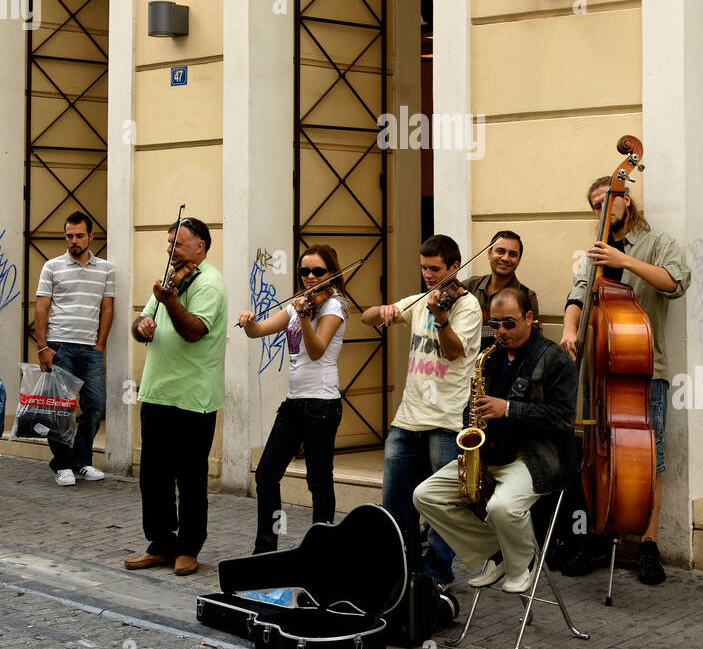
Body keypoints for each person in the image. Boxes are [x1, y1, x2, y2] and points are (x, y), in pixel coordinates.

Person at [561, 177, 690, 585]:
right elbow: (577, 295)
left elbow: (675, 283)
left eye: (607, 200)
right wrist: (569, 329)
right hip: (596, 372)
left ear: (626, 199)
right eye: (595, 203)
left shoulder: (656, 243)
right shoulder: (593, 255)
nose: (602, 208)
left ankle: (647, 543)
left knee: (648, 458)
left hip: (642, 370)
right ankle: (600, 535)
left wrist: (626, 260)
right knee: (594, 454)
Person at [414, 287, 579, 592]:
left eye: (509, 323)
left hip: (534, 458)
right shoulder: (489, 359)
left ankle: (521, 565)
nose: (501, 332)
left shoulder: (555, 360)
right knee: (425, 495)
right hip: (491, 453)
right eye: (496, 324)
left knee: (502, 508)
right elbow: (471, 409)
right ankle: (496, 550)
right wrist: (470, 428)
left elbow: (563, 418)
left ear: (529, 318)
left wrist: (509, 409)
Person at [361, 234, 482, 587]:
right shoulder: (420, 301)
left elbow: (454, 352)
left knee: (442, 505)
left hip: (445, 418)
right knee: (396, 501)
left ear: (454, 267)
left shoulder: (468, 306)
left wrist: (442, 319)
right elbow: (368, 318)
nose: (428, 275)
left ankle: (437, 575)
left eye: (435, 269)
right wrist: (380, 312)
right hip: (407, 417)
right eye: (424, 268)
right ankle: (403, 568)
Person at [124, 216, 227, 577]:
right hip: (158, 393)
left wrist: (169, 304)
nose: (170, 249)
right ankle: (161, 544)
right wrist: (143, 324)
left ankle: (188, 548)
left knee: (190, 476)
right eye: (169, 243)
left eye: (177, 244)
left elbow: (195, 331)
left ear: (199, 247)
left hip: (192, 397)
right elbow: (140, 326)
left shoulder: (210, 284)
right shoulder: (169, 279)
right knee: (153, 476)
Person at [238, 245, 349, 552]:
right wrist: (249, 322)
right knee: (266, 475)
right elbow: (259, 330)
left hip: (321, 403)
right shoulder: (298, 305)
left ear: (331, 273)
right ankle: (265, 550)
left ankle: (320, 553)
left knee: (318, 482)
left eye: (318, 271)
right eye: (304, 271)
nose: (310, 277)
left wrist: (302, 317)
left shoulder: (333, 306)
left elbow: (316, 350)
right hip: (295, 401)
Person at [34, 210, 113, 486]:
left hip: (90, 348)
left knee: (95, 406)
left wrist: (100, 346)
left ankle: (82, 461)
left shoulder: (106, 269)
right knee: (61, 409)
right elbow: (42, 307)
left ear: (91, 236)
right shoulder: (52, 267)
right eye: (69, 236)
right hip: (60, 346)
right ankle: (63, 463)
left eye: (79, 236)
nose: (74, 241)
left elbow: (107, 308)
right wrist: (43, 347)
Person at [463, 230, 540, 349]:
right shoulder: (468, 287)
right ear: (489, 253)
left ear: (519, 260)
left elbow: (531, 346)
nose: (505, 258)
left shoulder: (527, 296)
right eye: (500, 251)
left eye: (513, 254)